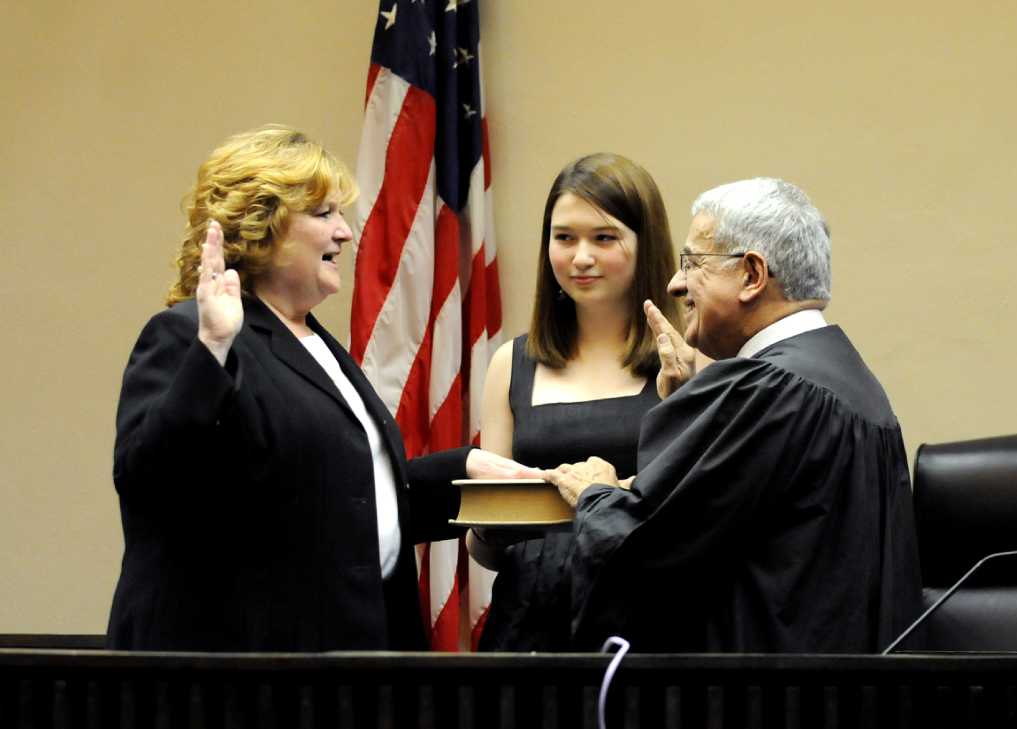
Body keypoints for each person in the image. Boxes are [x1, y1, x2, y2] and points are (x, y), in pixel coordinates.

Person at [107, 125, 538, 652]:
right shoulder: (187, 336)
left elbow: (343, 493)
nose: (345, 232)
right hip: (248, 669)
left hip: (353, 656)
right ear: (262, 223)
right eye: (324, 214)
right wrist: (212, 351)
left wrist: (463, 472)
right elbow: (149, 480)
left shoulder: (317, 343)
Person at [547, 177, 923, 653]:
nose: (675, 283)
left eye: (692, 263)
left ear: (750, 274)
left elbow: (647, 546)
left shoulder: (766, 391)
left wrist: (595, 495)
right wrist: (697, 402)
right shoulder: (845, 377)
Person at [469, 153, 686, 651]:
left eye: (603, 238)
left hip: (645, 625)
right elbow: (484, 548)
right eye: (564, 237)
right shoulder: (511, 362)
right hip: (527, 625)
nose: (580, 257)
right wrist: (488, 527)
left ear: (644, 244)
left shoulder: (687, 361)